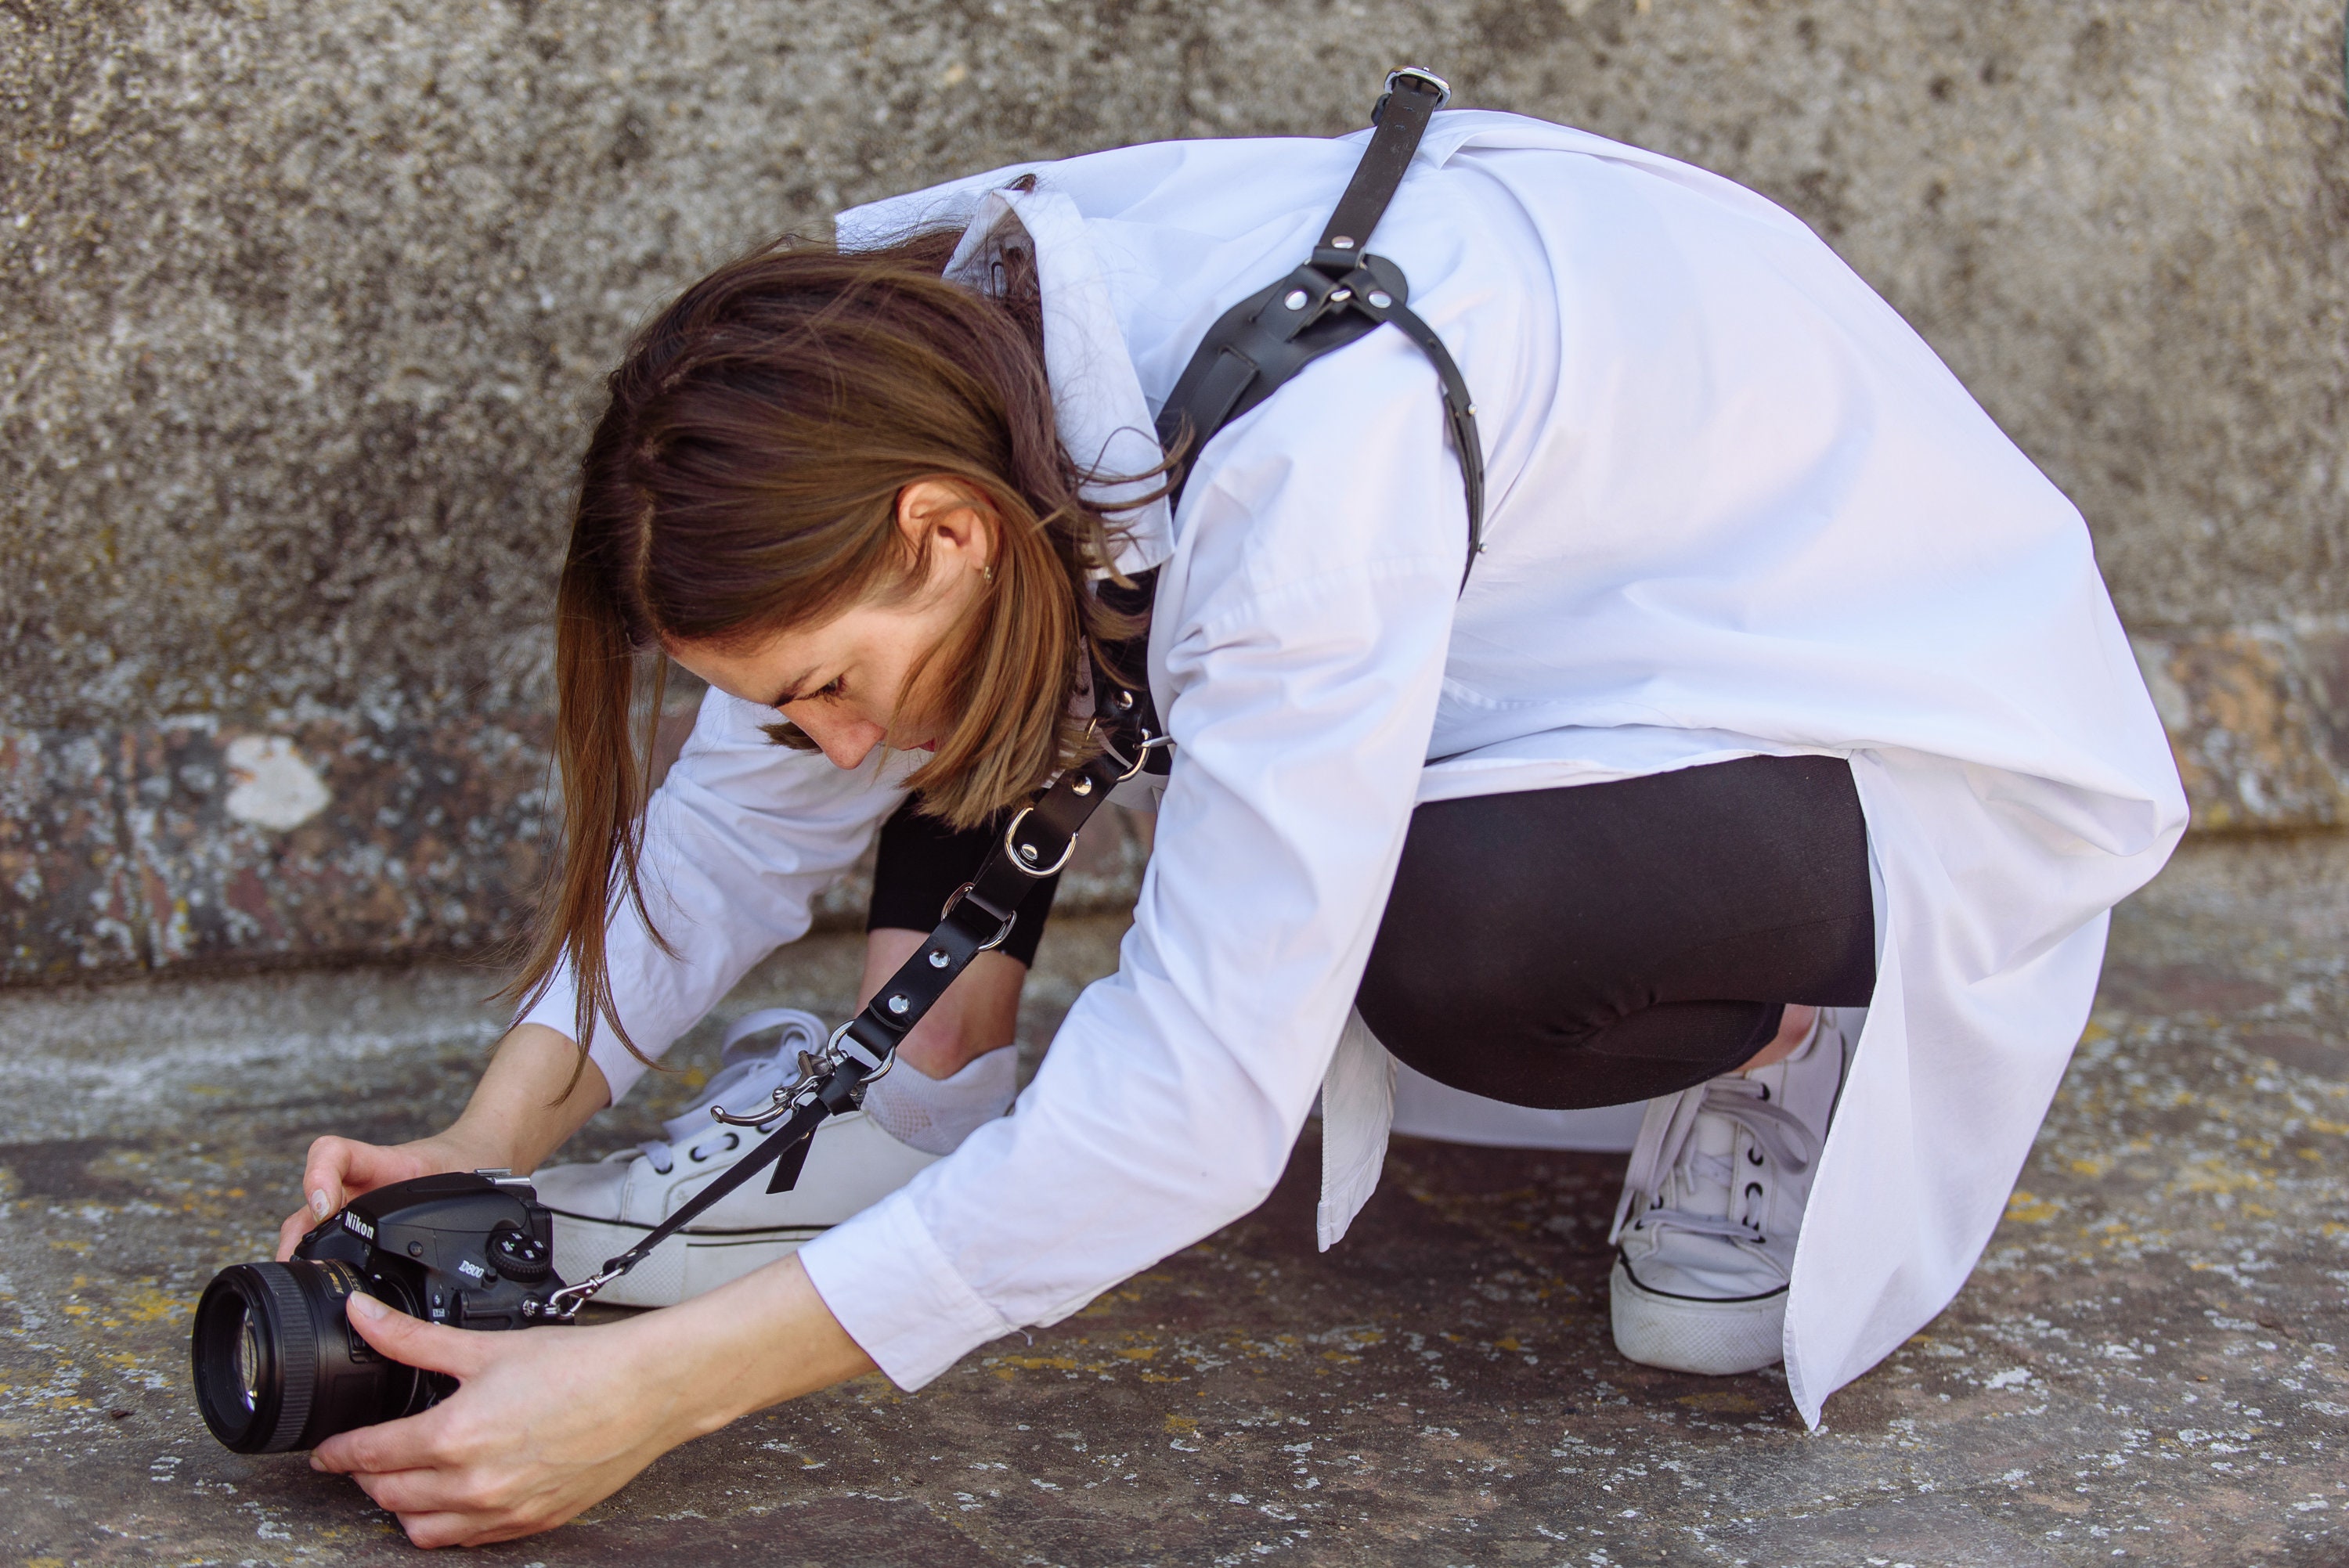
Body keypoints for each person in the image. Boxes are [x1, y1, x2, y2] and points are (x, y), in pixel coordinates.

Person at [274, 92, 2186, 1547]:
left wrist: (652, 1392)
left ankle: (1793, 1031)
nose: (827, 751)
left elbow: (1200, 1101)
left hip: (1883, 718)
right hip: (1572, 646)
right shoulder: (938, 383)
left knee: (1451, 939)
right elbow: (734, 814)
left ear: (929, 527)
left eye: (818, 683)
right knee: (1017, 650)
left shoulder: (1307, 455)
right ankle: (915, 1093)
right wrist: (485, 1141)